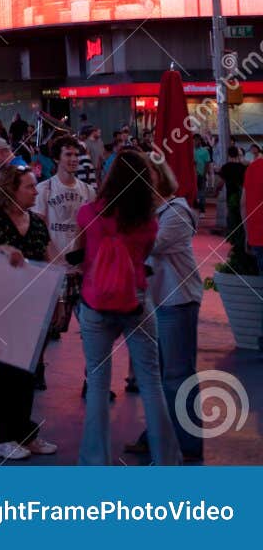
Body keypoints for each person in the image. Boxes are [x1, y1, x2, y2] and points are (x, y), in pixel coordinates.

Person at [69, 149, 179, 465]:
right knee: (151, 384)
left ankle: (95, 465)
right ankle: (167, 462)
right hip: (136, 302)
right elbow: (144, 255)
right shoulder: (148, 222)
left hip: (95, 304)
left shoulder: (88, 213)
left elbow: (79, 252)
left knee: (98, 388)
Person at [0, 163, 58, 460]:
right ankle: (1, 436)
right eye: (29, 186)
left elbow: (51, 258)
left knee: (28, 370)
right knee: (5, 370)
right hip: (2, 305)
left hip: (32, 306)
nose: (35, 191)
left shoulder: (38, 222)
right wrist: (0, 249)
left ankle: (24, 432)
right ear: (12, 190)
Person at [127, 160, 204, 462]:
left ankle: (188, 443)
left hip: (177, 302)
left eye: (148, 176)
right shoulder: (153, 213)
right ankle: (160, 435)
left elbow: (149, 246)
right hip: (157, 302)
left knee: (177, 375)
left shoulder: (177, 213)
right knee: (159, 376)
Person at [34, 138, 94, 374]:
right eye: (68, 155)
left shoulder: (88, 192)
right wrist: (53, 260)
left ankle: (91, 377)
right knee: (46, 325)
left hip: (80, 270)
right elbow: (39, 229)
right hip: (52, 269)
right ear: (57, 158)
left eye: (76, 155)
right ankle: (36, 369)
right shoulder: (44, 190)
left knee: (89, 327)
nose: (73, 159)